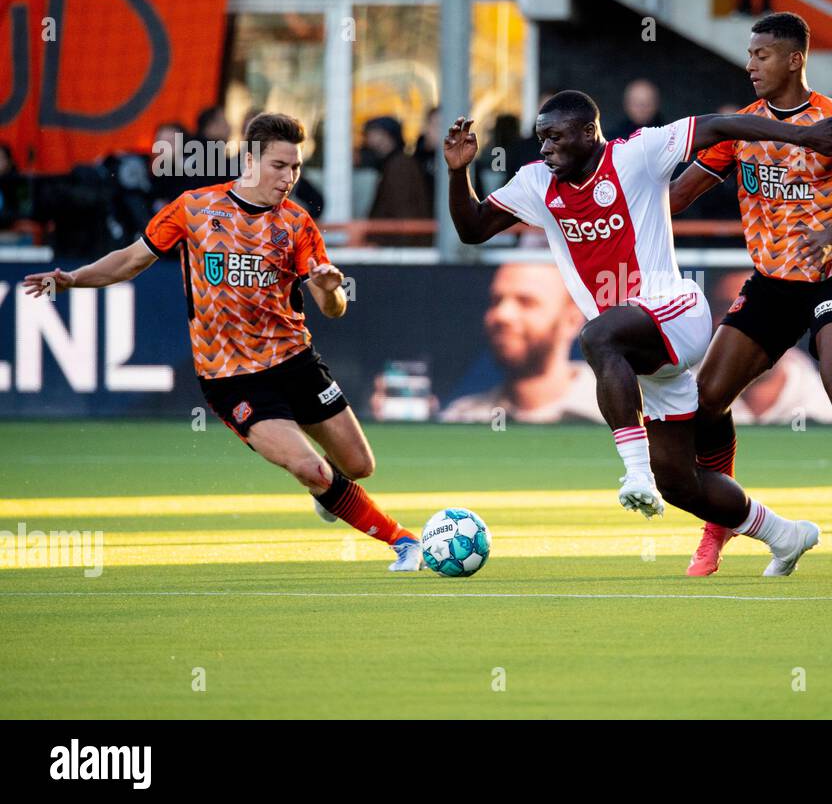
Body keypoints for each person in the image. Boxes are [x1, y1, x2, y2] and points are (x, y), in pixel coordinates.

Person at [443, 89, 832, 575]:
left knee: (595, 335)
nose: (545, 149)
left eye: (555, 138)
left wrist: (805, 136)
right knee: (680, 483)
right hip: (638, 350)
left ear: (588, 133)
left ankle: (634, 471)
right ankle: (784, 535)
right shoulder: (537, 183)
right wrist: (459, 173)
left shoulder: (636, 155)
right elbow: (473, 229)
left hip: (676, 312)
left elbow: (719, 125)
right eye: (541, 139)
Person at [21, 113, 423, 572]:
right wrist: (72, 279)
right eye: (279, 166)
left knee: (358, 465)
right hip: (231, 377)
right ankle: (402, 540)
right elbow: (130, 261)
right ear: (249, 160)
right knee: (309, 468)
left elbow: (333, 309)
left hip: (294, 360)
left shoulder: (297, 224)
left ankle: (331, 493)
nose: (289, 178)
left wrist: (331, 289)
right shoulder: (195, 208)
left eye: (294, 167)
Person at [669, 11, 832, 576]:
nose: (750, 64)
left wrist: (831, 234)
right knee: (705, 403)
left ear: (794, 58)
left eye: (762, 54)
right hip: (772, 282)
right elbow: (679, 197)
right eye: (750, 54)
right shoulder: (741, 128)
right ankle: (718, 526)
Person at [440, 263, 603, 423]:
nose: (502, 315)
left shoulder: (618, 412)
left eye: (526, 302)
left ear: (572, 320)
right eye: (496, 301)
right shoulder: (464, 419)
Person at [707, 269, 832, 425]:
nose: (741, 324)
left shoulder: (827, 409)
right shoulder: (683, 398)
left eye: (758, 309)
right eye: (725, 309)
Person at [365, 115, 433, 236]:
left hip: (400, 246)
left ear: (386, 136)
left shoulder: (400, 166)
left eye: (372, 133)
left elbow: (404, 213)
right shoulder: (394, 164)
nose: (367, 140)